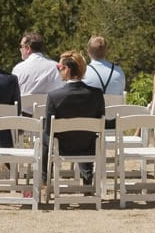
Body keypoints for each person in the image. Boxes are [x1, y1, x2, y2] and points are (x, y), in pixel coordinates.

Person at [43, 50, 107, 183]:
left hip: (62, 148)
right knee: (86, 133)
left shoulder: (54, 96)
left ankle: (45, 178)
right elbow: (101, 121)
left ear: (66, 69)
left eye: (59, 68)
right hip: (89, 147)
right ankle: (87, 176)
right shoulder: (97, 94)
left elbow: (49, 130)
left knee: (44, 134)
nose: (58, 71)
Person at [13, 31, 58, 96]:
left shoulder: (18, 69)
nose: (20, 49)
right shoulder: (56, 67)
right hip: (49, 106)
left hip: (25, 106)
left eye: (21, 46)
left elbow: (14, 94)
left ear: (28, 48)